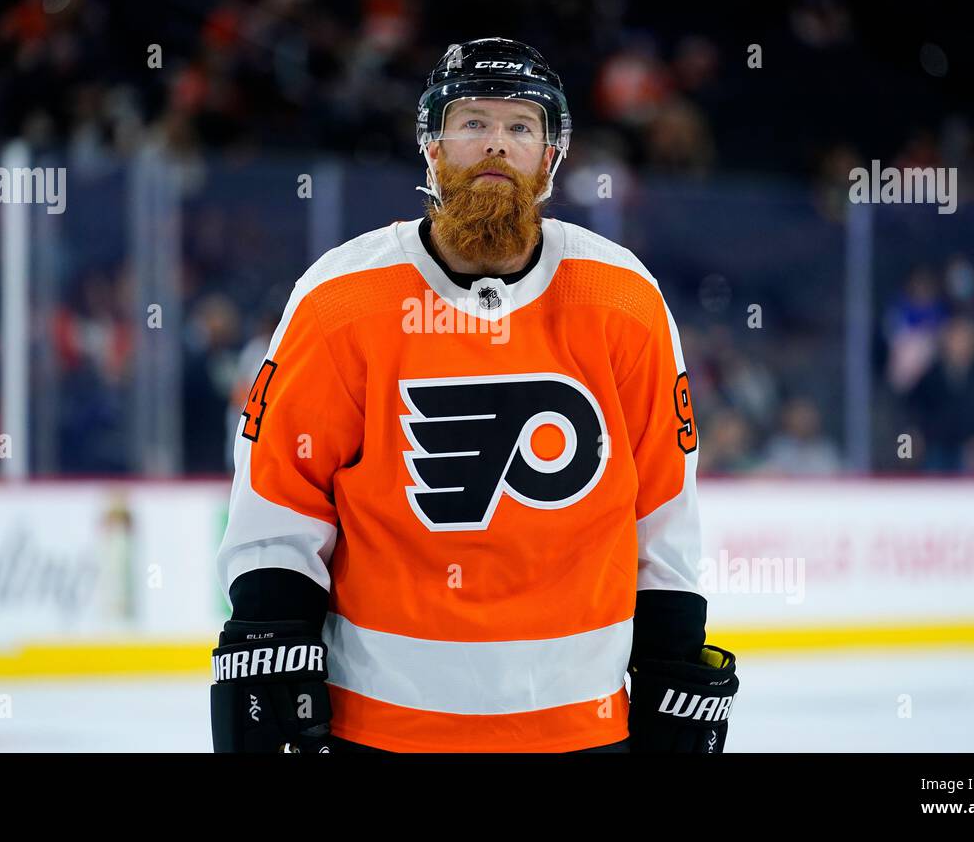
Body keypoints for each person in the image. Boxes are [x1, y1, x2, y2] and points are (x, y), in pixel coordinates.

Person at [211, 38, 738, 753]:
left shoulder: (622, 298)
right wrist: (268, 645)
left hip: (582, 728)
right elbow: (282, 503)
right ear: (433, 149)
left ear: (550, 158)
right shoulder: (341, 299)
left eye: (521, 127)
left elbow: (664, 512)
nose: (497, 145)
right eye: (473, 124)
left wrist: (674, 659)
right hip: (384, 726)